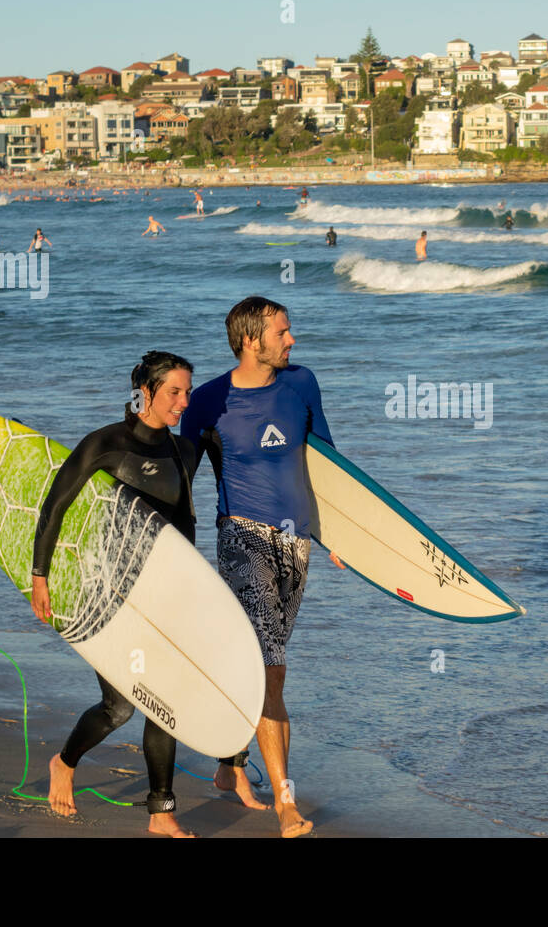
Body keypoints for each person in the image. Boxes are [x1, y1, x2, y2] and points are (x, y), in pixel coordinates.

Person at [179, 298, 346, 838]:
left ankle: (230, 764)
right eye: (283, 332)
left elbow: (328, 458)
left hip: (298, 543)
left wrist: (343, 532)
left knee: (260, 658)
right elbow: (177, 479)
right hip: (241, 537)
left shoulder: (302, 384)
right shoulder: (208, 401)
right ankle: (284, 800)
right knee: (272, 667)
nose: (291, 340)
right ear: (252, 340)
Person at [30, 352, 198, 837]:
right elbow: (55, 505)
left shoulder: (186, 452)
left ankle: (161, 812)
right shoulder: (107, 443)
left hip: (168, 595)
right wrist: (40, 577)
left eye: (188, 392)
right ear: (145, 393)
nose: (184, 402)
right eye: (174, 392)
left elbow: (185, 524)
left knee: (163, 699)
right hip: (112, 592)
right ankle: (64, 761)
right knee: (119, 707)